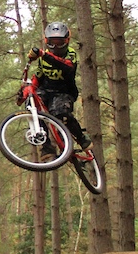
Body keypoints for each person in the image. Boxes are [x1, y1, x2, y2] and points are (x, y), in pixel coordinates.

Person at [26, 22, 92, 155]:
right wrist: (28, 89)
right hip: (46, 90)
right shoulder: (42, 59)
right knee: (32, 105)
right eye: (52, 42)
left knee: (59, 111)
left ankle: (81, 138)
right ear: (46, 41)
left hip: (64, 92)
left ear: (67, 41)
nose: (56, 46)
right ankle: (46, 146)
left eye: (59, 42)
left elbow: (67, 66)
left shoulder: (70, 54)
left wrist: (44, 55)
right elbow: (38, 76)